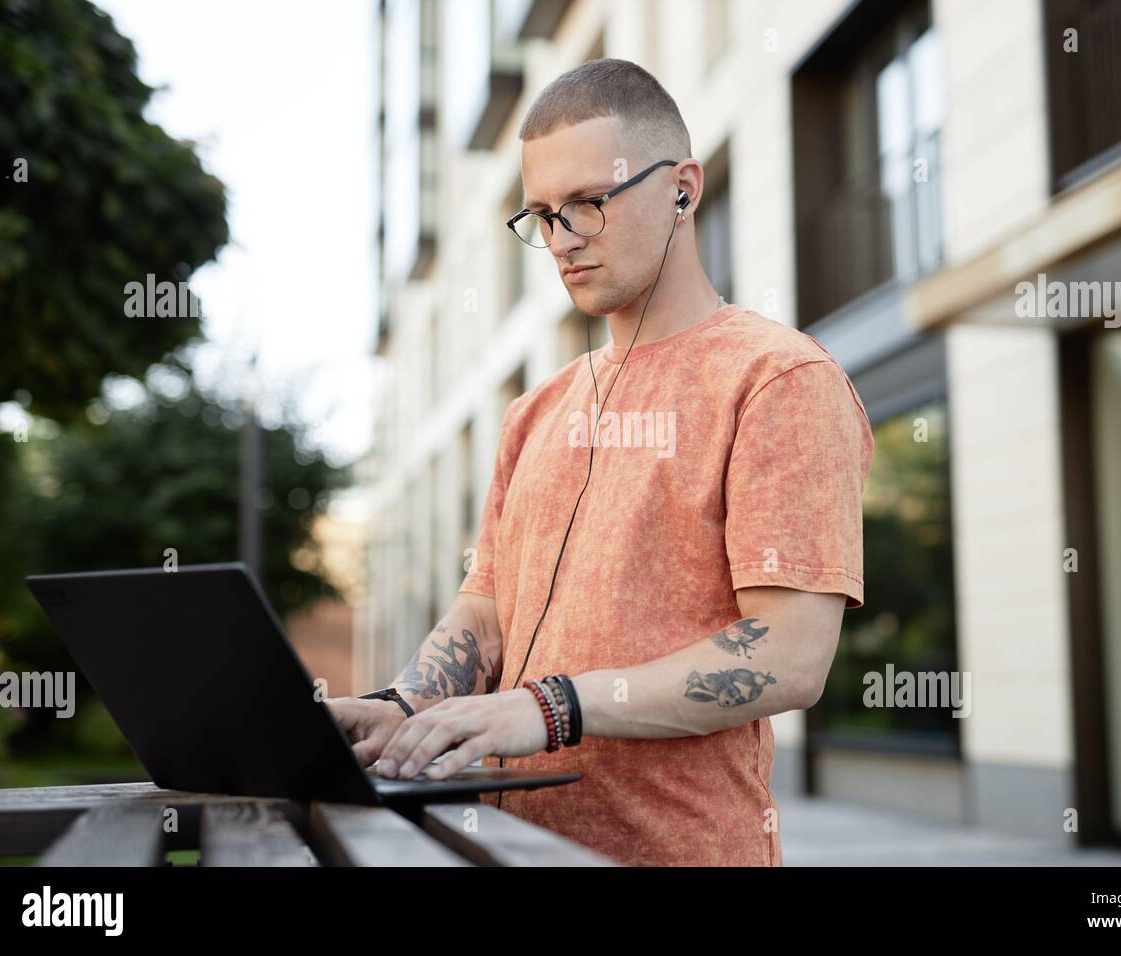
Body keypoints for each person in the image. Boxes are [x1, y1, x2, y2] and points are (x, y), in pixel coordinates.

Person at [327, 57, 874, 867]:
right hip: (505, 849)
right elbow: (485, 615)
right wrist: (400, 703)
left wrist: (547, 709)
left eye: (589, 203)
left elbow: (788, 655)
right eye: (543, 215)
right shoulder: (534, 412)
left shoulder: (778, 379)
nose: (563, 241)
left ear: (683, 188)